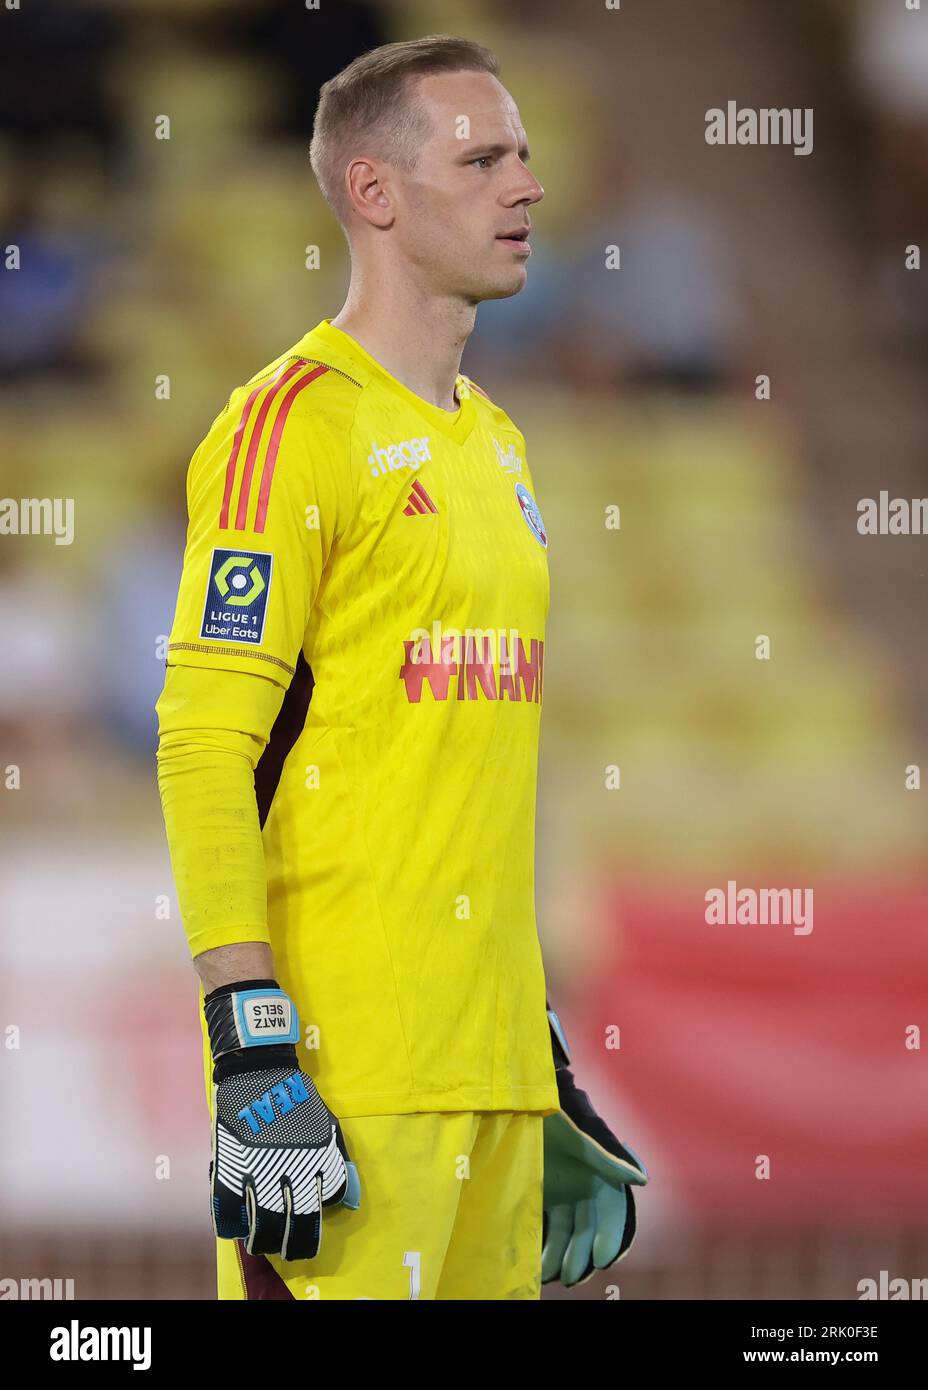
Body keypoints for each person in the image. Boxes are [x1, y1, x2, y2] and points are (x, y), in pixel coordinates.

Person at [156, 33, 646, 1302]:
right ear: (373, 193)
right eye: (482, 159)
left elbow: (458, 775)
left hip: (489, 1075)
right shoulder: (288, 425)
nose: (526, 187)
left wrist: (529, 1045)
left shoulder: (500, 447)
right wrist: (249, 1046)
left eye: (525, 156)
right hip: (344, 1083)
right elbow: (204, 742)